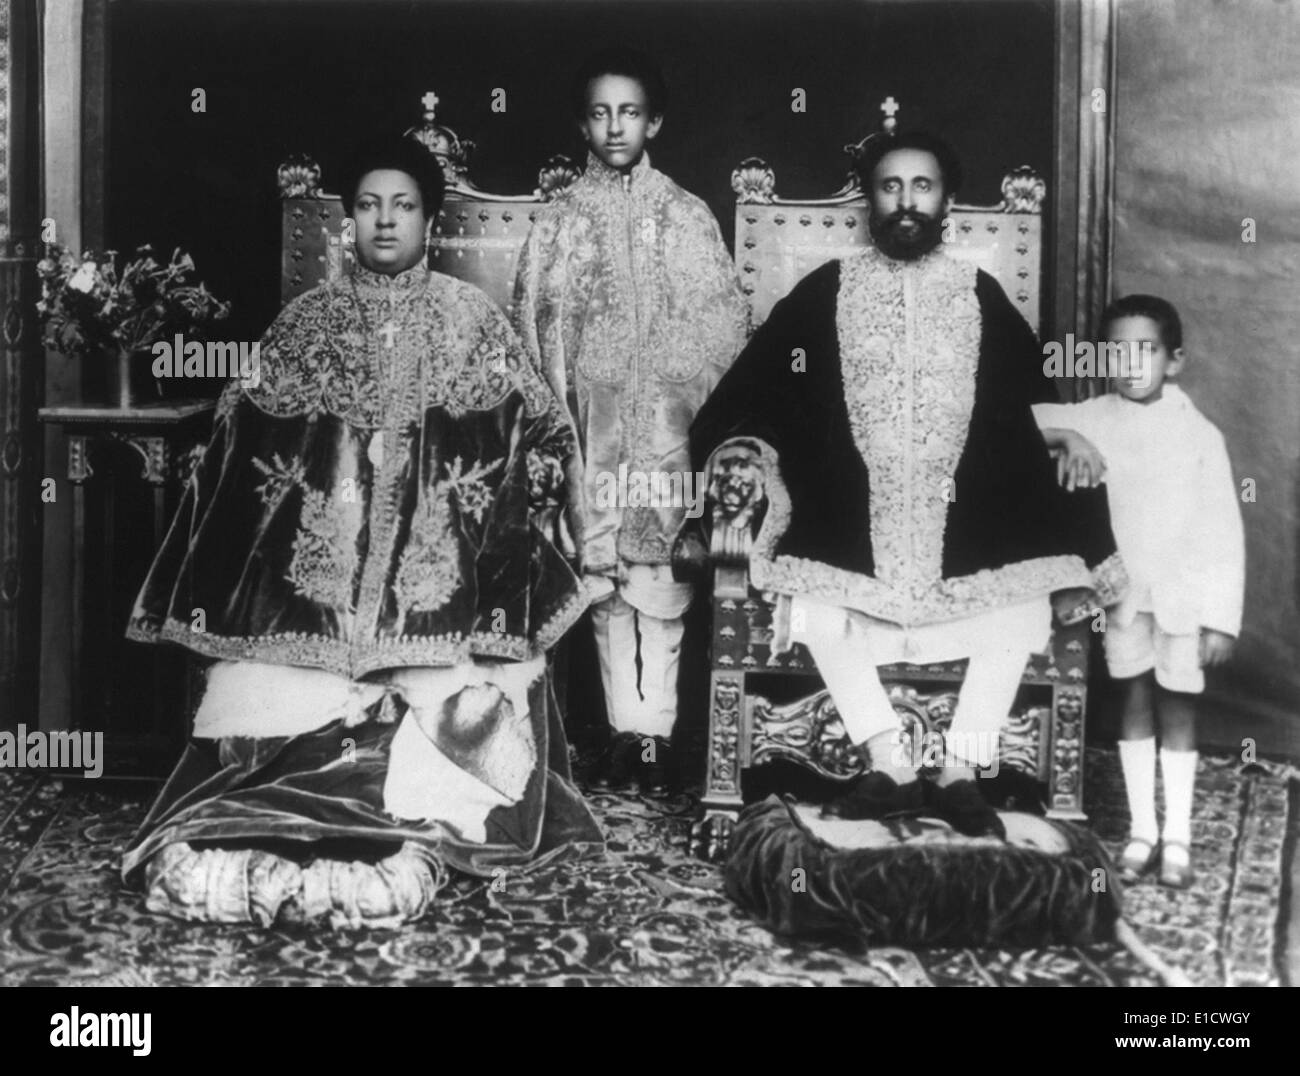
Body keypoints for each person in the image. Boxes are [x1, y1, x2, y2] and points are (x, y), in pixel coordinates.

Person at [120, 136, 603, 928]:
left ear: (429, 219)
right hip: (314, 604)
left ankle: (399, 812)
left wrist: (514, 497)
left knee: (467, 711)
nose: (386, 221)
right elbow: (240, 452)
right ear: (349, 219)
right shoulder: (302, 326)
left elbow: (544, 434)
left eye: (403, 206)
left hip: (438, 598)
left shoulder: (470, 321)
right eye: (370, 206)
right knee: (274, 720)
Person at [688, 129, 1126, 837]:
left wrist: (1066, 433)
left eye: (922, 187)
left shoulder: (977, 292)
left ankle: (960, 769)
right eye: (892, 187)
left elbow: (1024, 398)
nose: (907, 202)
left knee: (1018, 607)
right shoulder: (828, 288)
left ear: (944, 199)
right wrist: (744, 442)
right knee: (813, 604)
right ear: (872, 199)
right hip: (849, 513)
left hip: (967, 517)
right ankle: (887, 760)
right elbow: (759, 384)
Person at [511, 48, 748, 796]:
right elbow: (534, 329)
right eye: (602, 112)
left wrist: (680, 398)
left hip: (668, 440)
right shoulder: (558, 226)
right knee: (608, 590)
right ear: (583, 121)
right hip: (591, 436)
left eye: (631, 112)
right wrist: (558, 423)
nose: (617, 126)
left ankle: (659, 731)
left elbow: (720, 329)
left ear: (656, 121)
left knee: (663, 588)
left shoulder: (686, 215)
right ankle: (622, 730)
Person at [1034, 295, 1244, 888]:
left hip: (1183, 597)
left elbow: (1224, 530)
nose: (1130, 364)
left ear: (1174, 361)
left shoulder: (1201, 435)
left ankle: (1177, 834)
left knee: (1178, 706)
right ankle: (1142, 831)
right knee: (1131, 702)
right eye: (1116, 351)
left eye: (1145, 350)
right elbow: (1015, 422)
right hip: (1123, 599)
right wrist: (1069, 434)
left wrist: (1221, 619)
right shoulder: (1096, 414)